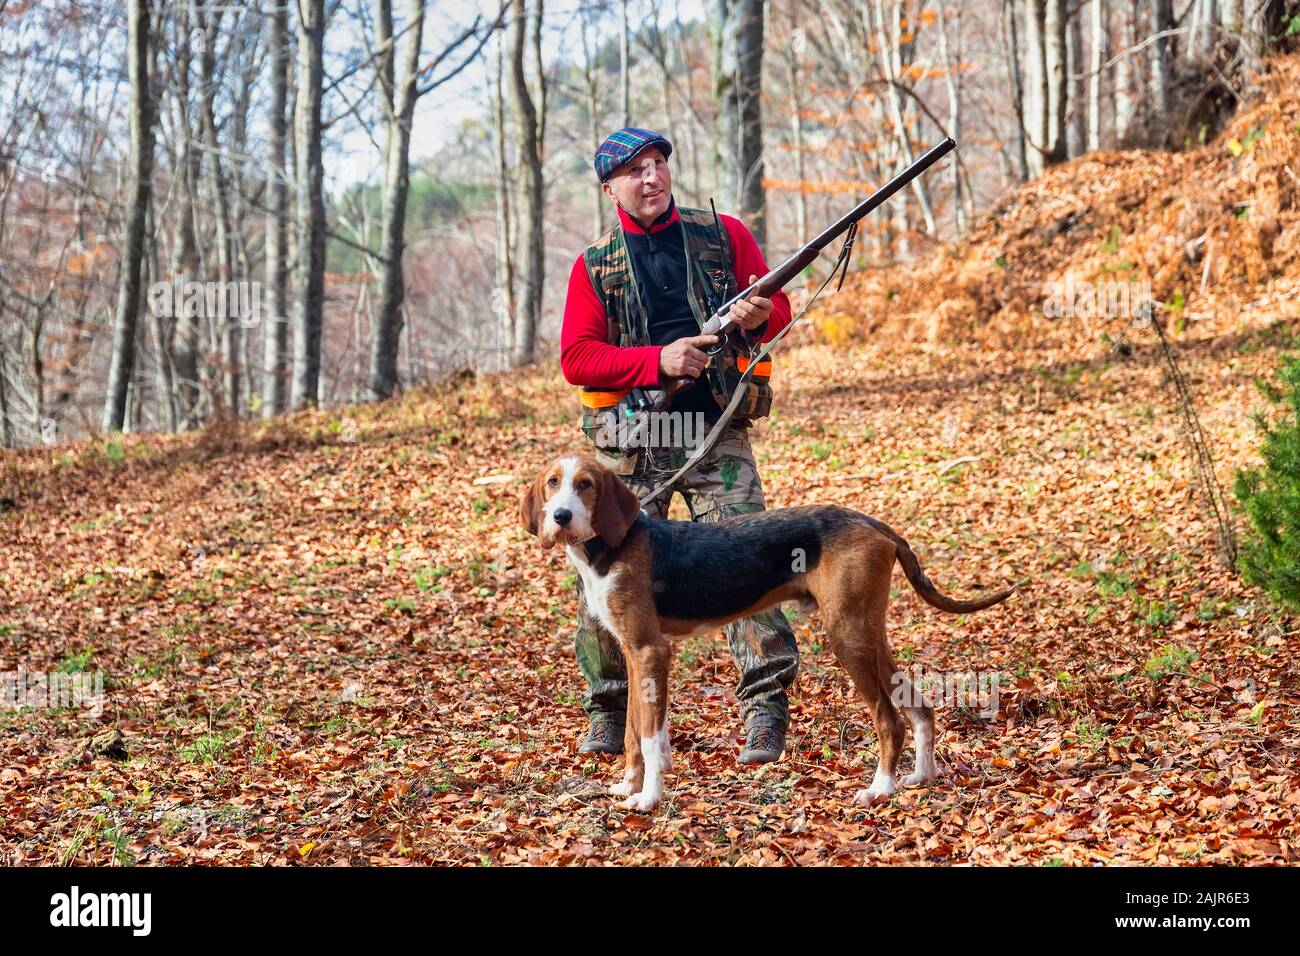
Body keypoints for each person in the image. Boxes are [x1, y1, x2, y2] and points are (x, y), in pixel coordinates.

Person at [558, 126, 800, 764]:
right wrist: (656, 360)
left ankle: (765, 709)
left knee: (755, 560)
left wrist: (760, 315)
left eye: (659, 163)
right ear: (610, 188)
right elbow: (577, 358)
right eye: (635, 170)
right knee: (608, 578)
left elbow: (778, 312)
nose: (652, 177)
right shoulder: (594, 265)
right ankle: (610, 708)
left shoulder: (725, 237)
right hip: (634, 444)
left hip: (715, 430)